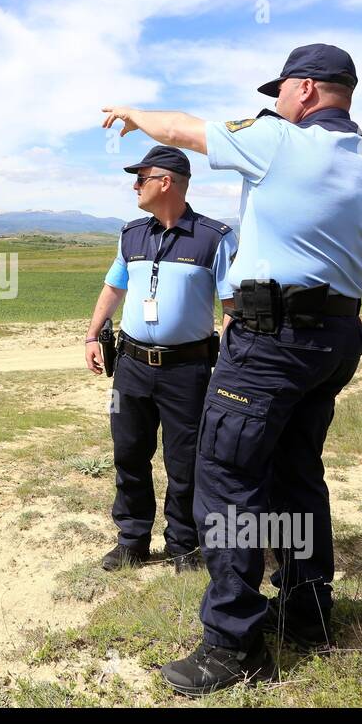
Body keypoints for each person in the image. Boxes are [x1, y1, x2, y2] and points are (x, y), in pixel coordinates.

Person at [102, 43, 362, 695]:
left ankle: (233, 644)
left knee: (228, 482)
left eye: (282, 92)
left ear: (303, 90)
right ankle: (308, 607)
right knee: (298, 473)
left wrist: (133, 112)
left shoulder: (278, 141)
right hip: (337, 339)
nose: (275, 104)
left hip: (270, 343)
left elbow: (184, 128)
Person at [85, 145, 236, 574]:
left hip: (187, 370)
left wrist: (227, 361)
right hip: (131, 366)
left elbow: (231, 307)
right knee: (129, 453)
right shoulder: (131, 233)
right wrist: (93, 334)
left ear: (165, 182)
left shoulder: (214, 237)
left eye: (141, 178)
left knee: (185, 461)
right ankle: (131, 541)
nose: (134, 185)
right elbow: (114, 287)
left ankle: (184, 545)